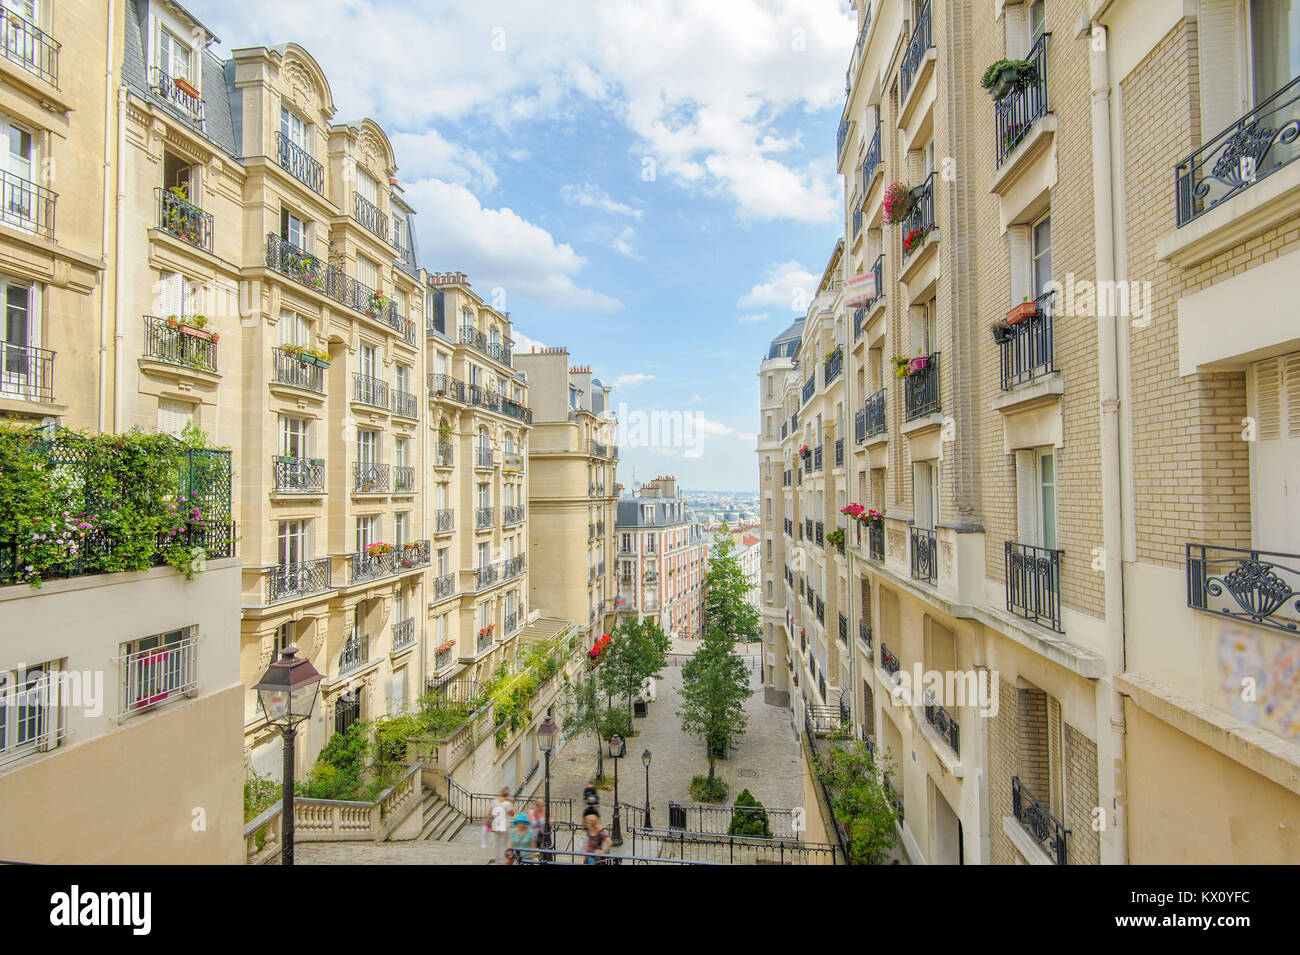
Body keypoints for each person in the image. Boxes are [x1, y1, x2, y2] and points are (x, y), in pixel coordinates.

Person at [488, 788, 514, 864]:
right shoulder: (507, 804)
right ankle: (503, 861)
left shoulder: (494, 802)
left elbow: (490, 813)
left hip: (496, 824)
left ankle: (498, 860)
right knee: (505, 843)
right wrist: (512, 803)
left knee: (497, 842)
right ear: (507, 795)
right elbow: (512, 813)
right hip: (504, 825)